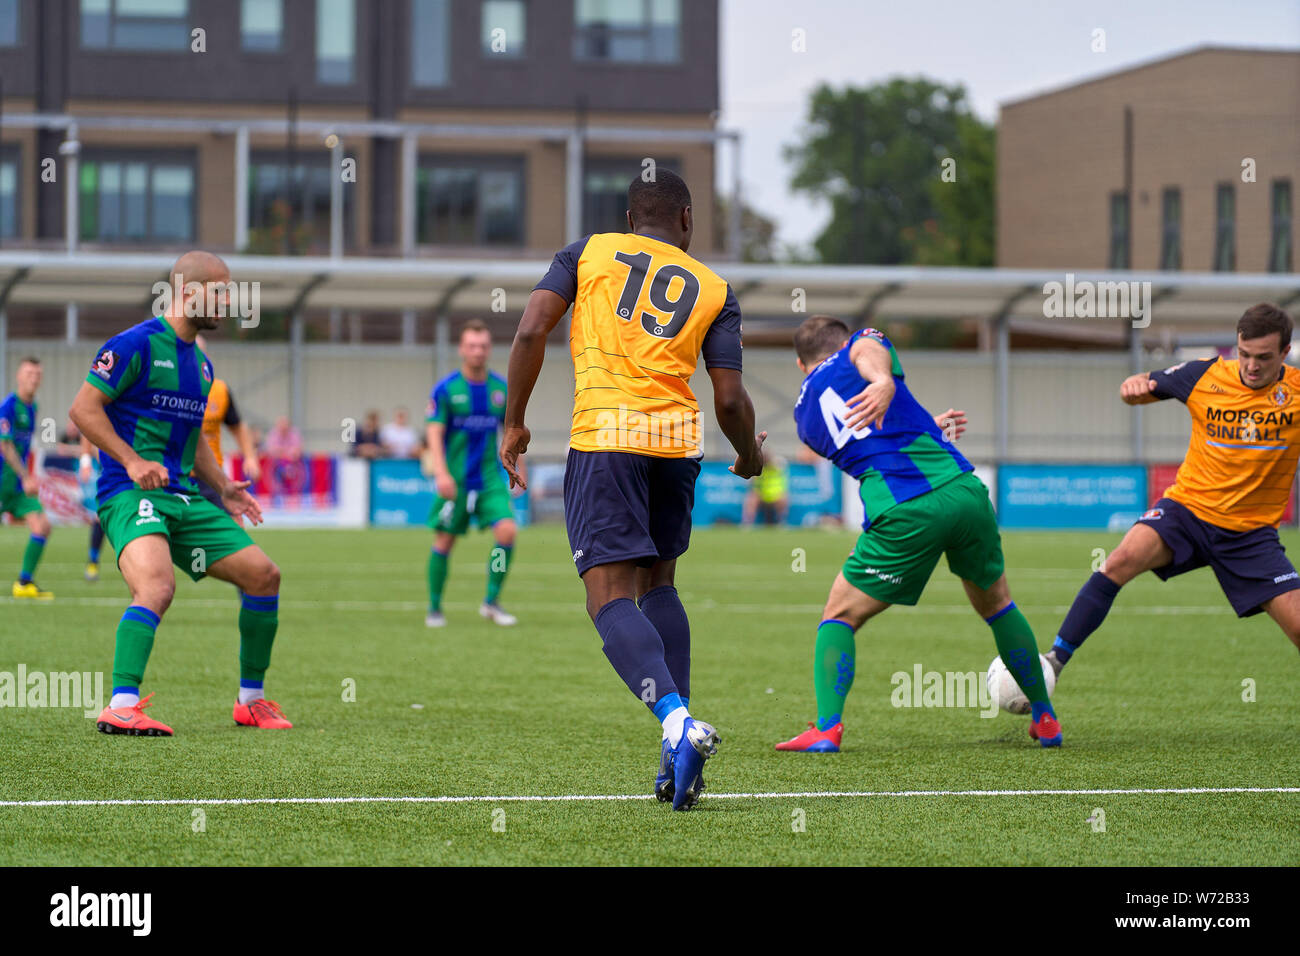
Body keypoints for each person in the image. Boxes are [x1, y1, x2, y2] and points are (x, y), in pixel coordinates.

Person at [500, 169, 765, 810]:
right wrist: (749, 453)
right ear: (686, 221)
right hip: (676, 444)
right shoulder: (715, 287)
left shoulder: (588, 252)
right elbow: (728, 396)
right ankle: (676, 751)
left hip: (607, 437)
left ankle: (677, 726)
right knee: (660, 587)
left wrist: (513, 420)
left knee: (606, 600)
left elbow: (532, 329)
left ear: (629, 220)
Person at [773, 315, 1062, 752]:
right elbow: (868, 359)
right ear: (844, 340)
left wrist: (901, 402)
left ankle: (827, 729)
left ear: (800, 364)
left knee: (839, 616)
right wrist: (889, 386)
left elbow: (870, 437)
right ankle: (1046, 719)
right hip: (964, 491)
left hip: (905, 509)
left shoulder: (803, 419)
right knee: (998, 604)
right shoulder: (864, 346)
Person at [69, 250, 290, 737]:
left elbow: (191, 442)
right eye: (221, 291)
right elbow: (83, 410)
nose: (229, 302)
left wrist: (225, 487)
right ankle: (121, 704)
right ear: (188, 293)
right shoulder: (135, 345)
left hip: (185, 496)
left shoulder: (203, 368)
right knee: (157, 586)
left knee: (263, 576)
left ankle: (250, 700)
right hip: (128, 493)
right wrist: (131, 460)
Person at [1048, 303, 1300, 675]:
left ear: (1285, 352)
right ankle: (1053, 663)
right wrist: (1131, 388)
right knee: (1119, 560)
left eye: (1263, 357)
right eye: (1244, 354)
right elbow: (1143, 384)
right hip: (1187, 512)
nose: (1251, 365)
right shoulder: (1206, 374)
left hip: (1250, 535)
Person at [424, 320, 521, 627]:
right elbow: (434, 433)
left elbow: (511, 432)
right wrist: (441, 473)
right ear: (462, 349)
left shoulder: (500, 389)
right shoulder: (446, 389)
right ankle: (435, 608)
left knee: (507, 532)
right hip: (456, 480)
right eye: (471, 346)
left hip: (490, 478)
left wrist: (518, 468)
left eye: (483, 346)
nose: (477, 351)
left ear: (489, 349)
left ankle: (491, 602)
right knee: (444, 542)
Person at [193, 334, 262, 527]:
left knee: (236, 530)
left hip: (211, 476)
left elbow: (237, 426)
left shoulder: (220, 390)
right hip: (176, 477)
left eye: (200, 352)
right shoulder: (166, 388)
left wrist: (249, 456)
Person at [0, 357, 54, 598]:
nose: (34, 378)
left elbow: (24, 447)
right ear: (19, 377)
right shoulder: (8, 406)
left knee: (42, 525)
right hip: (5, 480)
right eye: (30, 373)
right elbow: (6, 446)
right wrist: (25, 475)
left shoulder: (32, 407)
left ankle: (24, 583)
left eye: (38, 374)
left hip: (16, 485)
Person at [55, 418, 105, 581]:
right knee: (99, 518)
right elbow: (64, 448)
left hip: (111, 474)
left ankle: (94, 561)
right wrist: (85, 460)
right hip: (96, 477)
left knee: (102, 519)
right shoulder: (100, 408)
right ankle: (93, 561)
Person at [742, 447, 789, 526]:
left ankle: (781, 522)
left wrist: (770, 462)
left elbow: (782, 465)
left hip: (775, 495)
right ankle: (747, 523)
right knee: (752, 498)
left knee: (783, 498)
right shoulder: (756, 467)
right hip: (761, 495)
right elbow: (748, 483)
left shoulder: (776, 465)